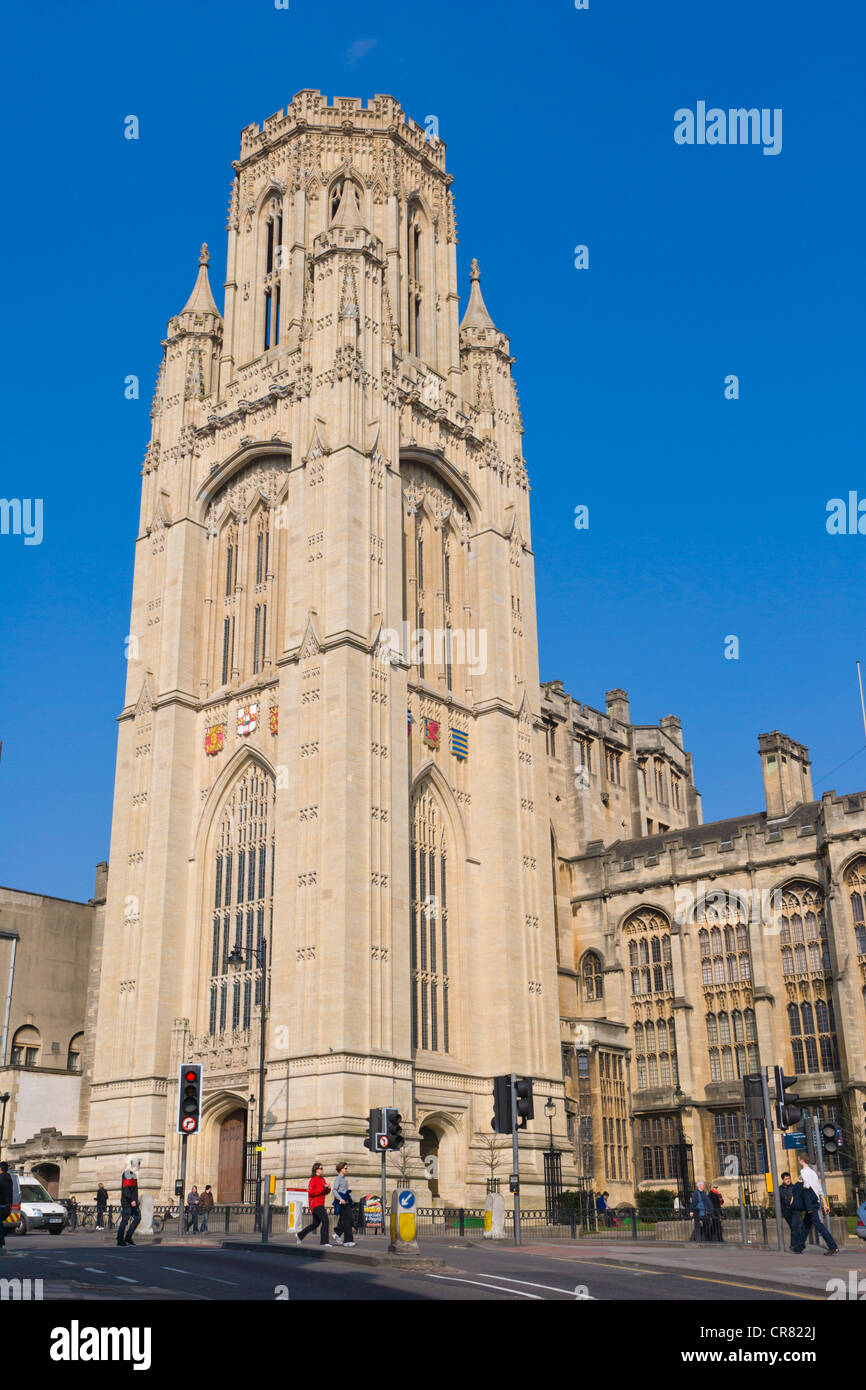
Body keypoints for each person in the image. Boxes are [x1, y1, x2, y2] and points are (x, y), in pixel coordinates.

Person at [791, 1153, 838, 1255]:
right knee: (806, 1225)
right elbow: (820, 1190)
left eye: (799, 1159)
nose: (798, 1161)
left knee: (818, 1225)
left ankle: (833, 1246)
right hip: (815, 1202)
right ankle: (798, 1247)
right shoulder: (813, 1172)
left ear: (801, 1160)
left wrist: (800, 1185)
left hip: (810, 1204)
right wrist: (825, 1205)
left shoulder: (803, 1171)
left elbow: (807, 1185)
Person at [296, 1162, 331, 1246]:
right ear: (316, 1170)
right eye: (321, 1168)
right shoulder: (313, 1180)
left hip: (321, 1203)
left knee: (315, 1224)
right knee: (325, 1221)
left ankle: (300, 1235)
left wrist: (328, 1189)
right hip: (315, 1204)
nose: (322, 1170)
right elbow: (311, 1192)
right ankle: (324, 1242)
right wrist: (323, 1188)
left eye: (322, 1168)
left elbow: (324, 1192)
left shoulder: (322, 1179)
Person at [117, 1158, 141, 1247]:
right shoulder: (127, 1173)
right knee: (125, 1220)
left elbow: (133, 1190)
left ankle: (128, 1237)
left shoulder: (133, 1175)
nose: (139, 1167)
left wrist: (136, 1200)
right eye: (139, 1165)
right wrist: (132, 1200)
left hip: (132, 1202)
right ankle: (120, 1240)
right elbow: (126, 1189)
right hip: (127, 1202)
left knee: (138, 1218)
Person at [331, 1163, 355, 1247]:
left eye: (347, 1168)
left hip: (346, 1200)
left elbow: (344, 1190)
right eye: (345, 1168)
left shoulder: (344, 1179)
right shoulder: (338, 1179)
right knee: (347, 1220)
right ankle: (348, 1241)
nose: (346, 1170)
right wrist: (340, 1199)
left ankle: (337, 1233)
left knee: (348, 1219)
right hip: (341, 1202)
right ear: (341, 1169)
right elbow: (334, 1190)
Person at [690, 1179, 713, 1243]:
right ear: (700, 1186)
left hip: (706, 1212)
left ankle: (706, 1239)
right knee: (706, 1226)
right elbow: (693, 1202)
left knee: (707, 1225)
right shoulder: (696, 1193)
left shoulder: (703, 1192)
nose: (704, 1186)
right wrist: (691, 1211)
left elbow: (707, 1201)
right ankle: (704, 1239)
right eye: (703, 1185)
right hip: (701, 1212)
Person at [0, 1161, 14, 1253]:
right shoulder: (10, 1179)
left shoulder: (1, 1179)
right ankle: (2, 1244)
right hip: (7, 1206)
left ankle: (2, 1245)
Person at [779, 1171, 795, 1243]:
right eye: (786, 1179)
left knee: (794, 1227)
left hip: (794, 1210)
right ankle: (795, 1243)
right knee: (793, 1227)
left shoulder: (794, 1187)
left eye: (789, 1178)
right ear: (783, 1180)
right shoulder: (780, 1189)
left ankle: (794, 1243)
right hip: (786, 1211)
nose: (788, 1180)